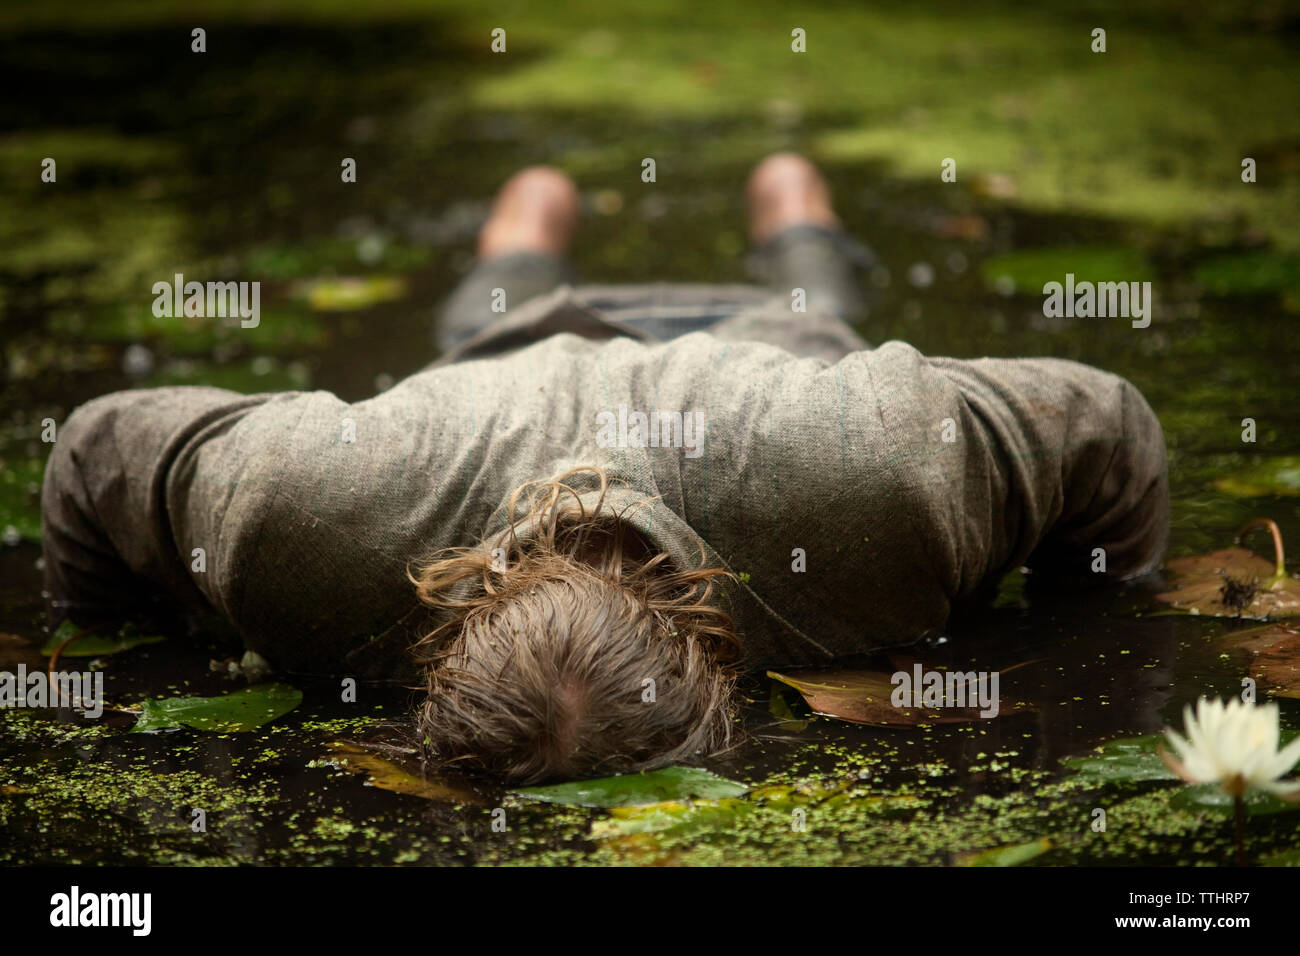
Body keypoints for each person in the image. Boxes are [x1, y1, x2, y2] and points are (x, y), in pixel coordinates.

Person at [40, 154, 1170, 783]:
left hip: (766, 349)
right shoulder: (307, 511)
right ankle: (551, 202)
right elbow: (90, 450)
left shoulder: (873, 471)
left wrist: (1077, 633)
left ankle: (784, 199)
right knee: (506, 279)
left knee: (811, 285)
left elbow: (1109, 425)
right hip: (513, 345)